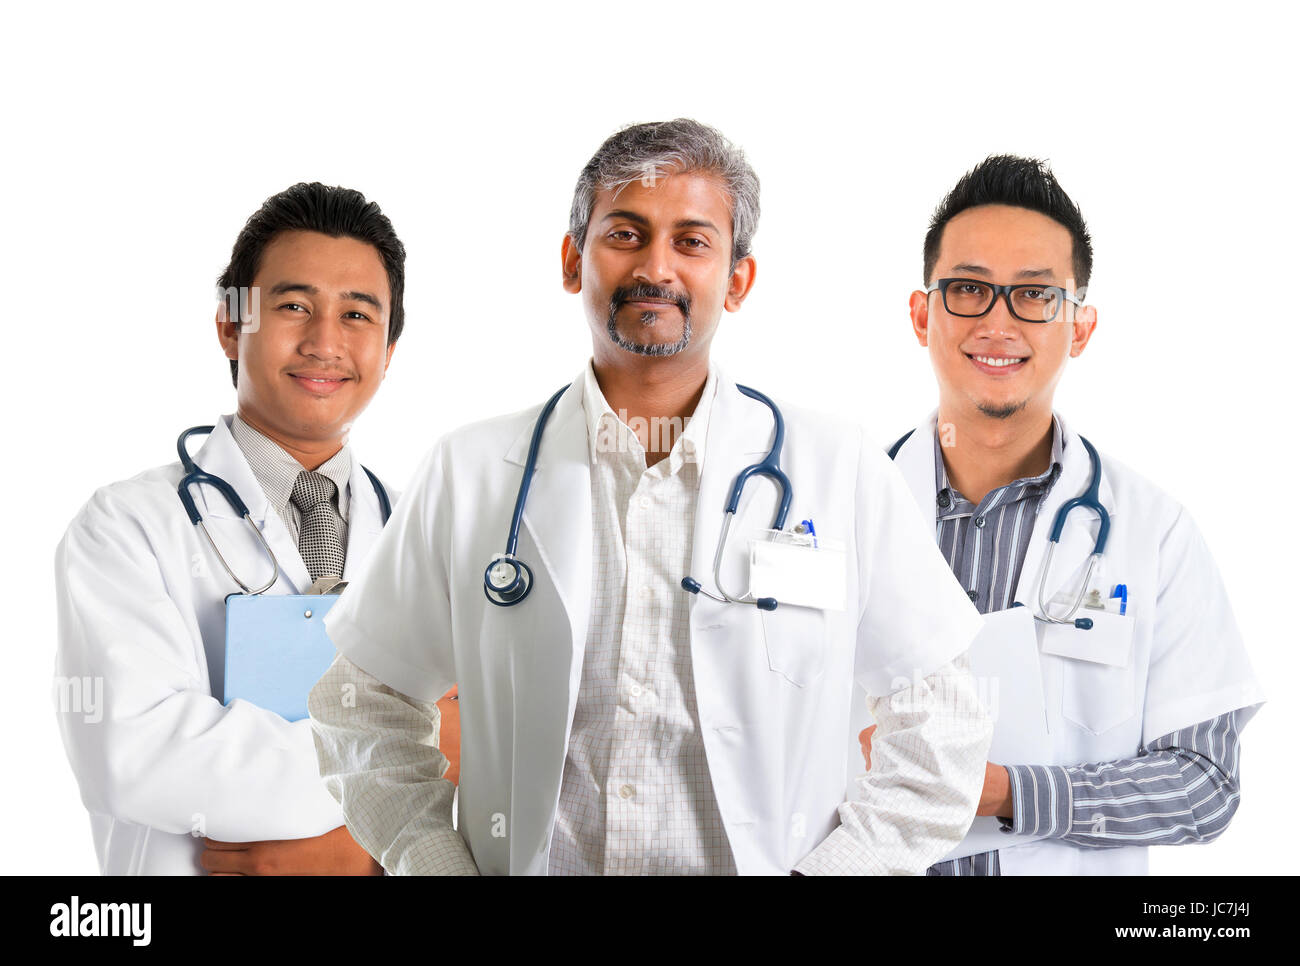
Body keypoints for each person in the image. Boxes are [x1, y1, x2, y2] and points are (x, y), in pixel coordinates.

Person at [308, 119, 993, 876]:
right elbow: (359, 706)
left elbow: (944, 727)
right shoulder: (469, 473)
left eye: (693, 241)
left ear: (738, 278)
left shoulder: (841, 471)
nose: (656, 267)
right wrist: (435, 862)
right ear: (574, 261)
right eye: (626, 234)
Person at [860, 155, 1264, 875]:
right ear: (922, 314)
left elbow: (1206, 786)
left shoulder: (1154, 535)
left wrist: (1011, 794)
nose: (998, 321)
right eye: (967, 290)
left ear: (1080, 326)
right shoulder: (844, 508)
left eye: (1036, 297)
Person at [53, 182, 456, 874]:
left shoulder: (434, 535)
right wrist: (428, 742)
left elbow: (501, 783)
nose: (325, 341)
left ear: (388, 350)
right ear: (230, 326)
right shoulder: (125, 529)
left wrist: (352, 853)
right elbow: (140, 756)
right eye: (294, 305)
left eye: (357, 314)